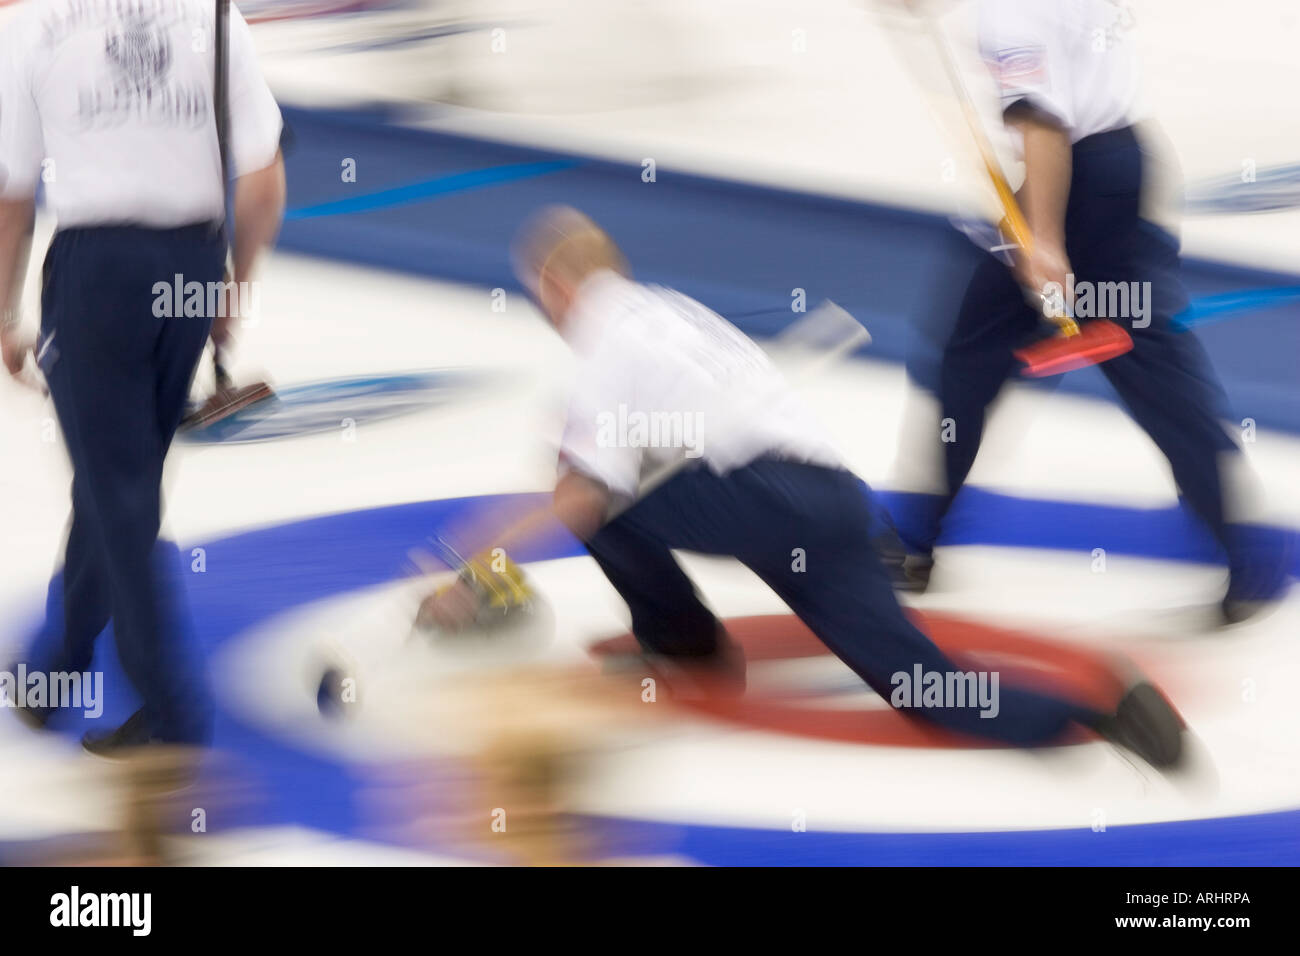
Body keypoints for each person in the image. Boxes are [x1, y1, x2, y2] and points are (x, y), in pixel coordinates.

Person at [421, 205, 1185, 769]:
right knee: (920, 683)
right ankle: (1105, 711)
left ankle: (685, 646)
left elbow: (581, 499)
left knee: (591, 492)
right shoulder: (673, 315)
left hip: (766, 502)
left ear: (557, 282)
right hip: (835, 505)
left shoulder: (605, 341)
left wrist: (472, 562)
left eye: (535, 289)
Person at [888, 0, 1288, 623]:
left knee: (1118, 364)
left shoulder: (1007, 14)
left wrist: (1044, 240)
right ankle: (1247, 556)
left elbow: (1044, 126)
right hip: (1121, 161)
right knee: (1129, 363)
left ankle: (913, 545)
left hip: (1073, 186)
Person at [0, 0, 285, 752]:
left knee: (119, 494)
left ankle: (173, 722)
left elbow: (12, 197)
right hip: (190, 265)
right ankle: (55, 671)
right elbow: (263, 177)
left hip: (100, 274)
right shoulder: (217, 16)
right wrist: (234, 286)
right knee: (113, 481)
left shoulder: (31, 24)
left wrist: (3, 314)